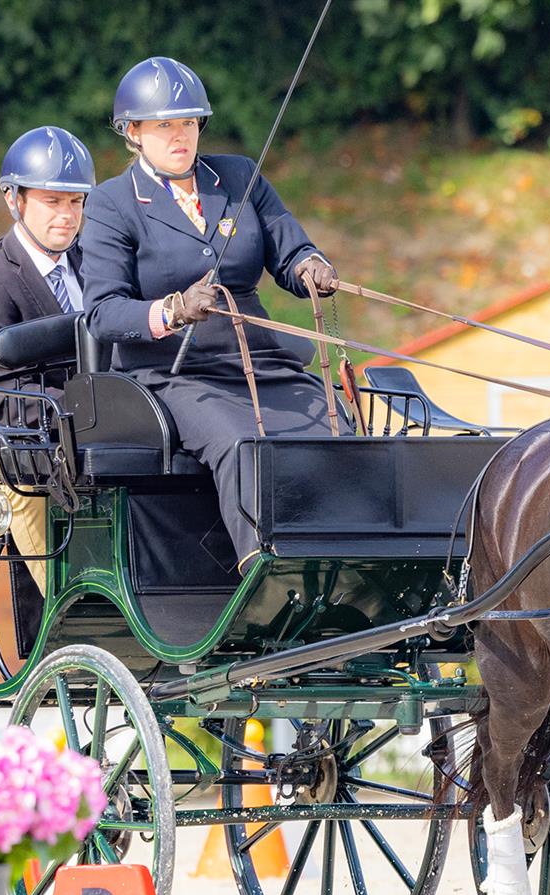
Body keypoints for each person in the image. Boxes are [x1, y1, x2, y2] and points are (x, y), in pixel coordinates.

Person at [81, 56, 340, 572]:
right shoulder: (111, 203)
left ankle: (348, 559)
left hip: (260, 362)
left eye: (189, 122)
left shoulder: (239, 176)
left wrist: (311, 267)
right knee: (243, 444)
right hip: (175, 374)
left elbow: (290, 251)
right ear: (133, 132)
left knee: (339, 432)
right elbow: (103, 313)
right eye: (164, 126)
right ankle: (267, 572)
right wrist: (174, 309)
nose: (180, 135)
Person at [0, 125, 95, 592]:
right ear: (15, 199)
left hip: (83, 433)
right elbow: (4, 393)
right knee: (29, 483)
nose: (67, 215)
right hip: (5, 440)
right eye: (53, 201)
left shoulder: (95, 264)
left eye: (76, 202)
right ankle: (67, 602)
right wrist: (97, 412)